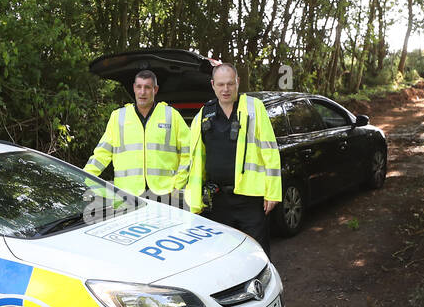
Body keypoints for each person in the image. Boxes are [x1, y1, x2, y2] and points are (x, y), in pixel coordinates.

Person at [184, 63, 282, 254]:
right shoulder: (203, 115)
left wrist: (273, 192)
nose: (225, 89)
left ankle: (261, 285)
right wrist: (195, 201)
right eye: (221, 85)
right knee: (223, 255)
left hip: (251, 199)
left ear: (238, 82)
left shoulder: (254, 108)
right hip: (217, 201)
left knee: (257, 253)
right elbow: (195, 160)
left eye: (230, 83)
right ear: (213, 85)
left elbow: (270, 150)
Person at [84, 69, 191, 208]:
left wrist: (177, 185)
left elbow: (188, 152)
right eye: (139, 87)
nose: (142, 92)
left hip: (165, 193)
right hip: (127, 195)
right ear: (134, 88)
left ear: (155, 89)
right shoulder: (118, 117)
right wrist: (84, 178)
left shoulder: (172, 115)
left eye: (147, 87)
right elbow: (101, 154)